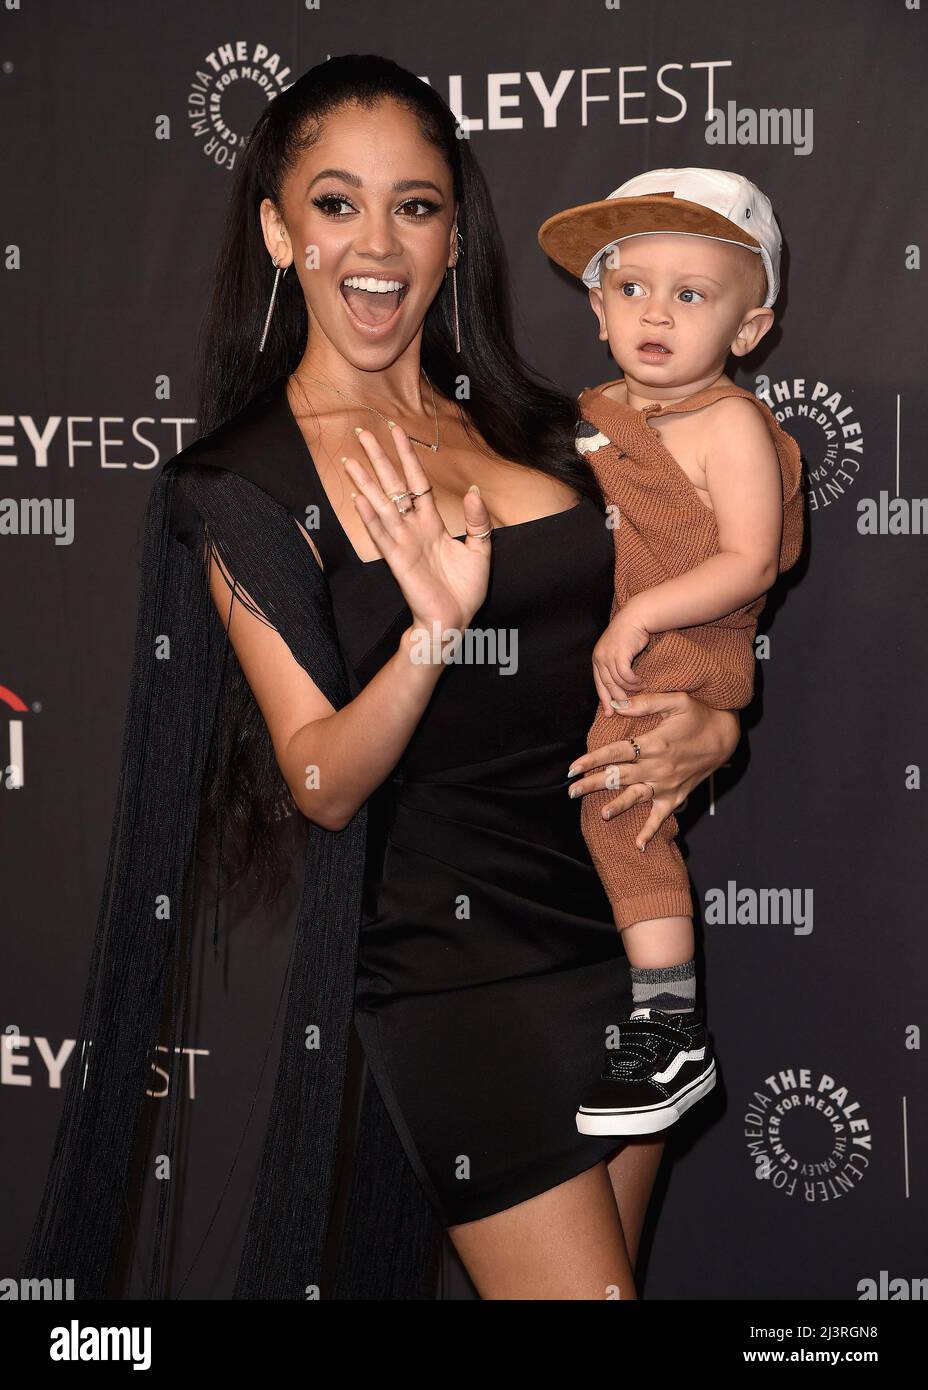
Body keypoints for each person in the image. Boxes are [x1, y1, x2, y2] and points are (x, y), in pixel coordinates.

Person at [20, 60, 740, 1301]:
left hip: (623, 939)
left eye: (414, 204)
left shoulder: (539, 424)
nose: (376, 242)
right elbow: (319, 781)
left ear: (454, 231)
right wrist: (428, 636)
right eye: (336, 202)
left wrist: (710, 731)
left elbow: (664, 640)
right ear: (277, 228)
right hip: (456, 981)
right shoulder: (240, 487)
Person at [537, 168, 804, 1141]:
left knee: (621, 812)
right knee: (601, 811)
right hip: (616, 650)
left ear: (747, 328)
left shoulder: (727, 422)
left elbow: (744, 558)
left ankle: (670, 1021)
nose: (655, 311)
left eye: (690, 295)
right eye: (630, 286)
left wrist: (639, 615)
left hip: (682, 653)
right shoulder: (595, 414)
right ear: (599, 305)